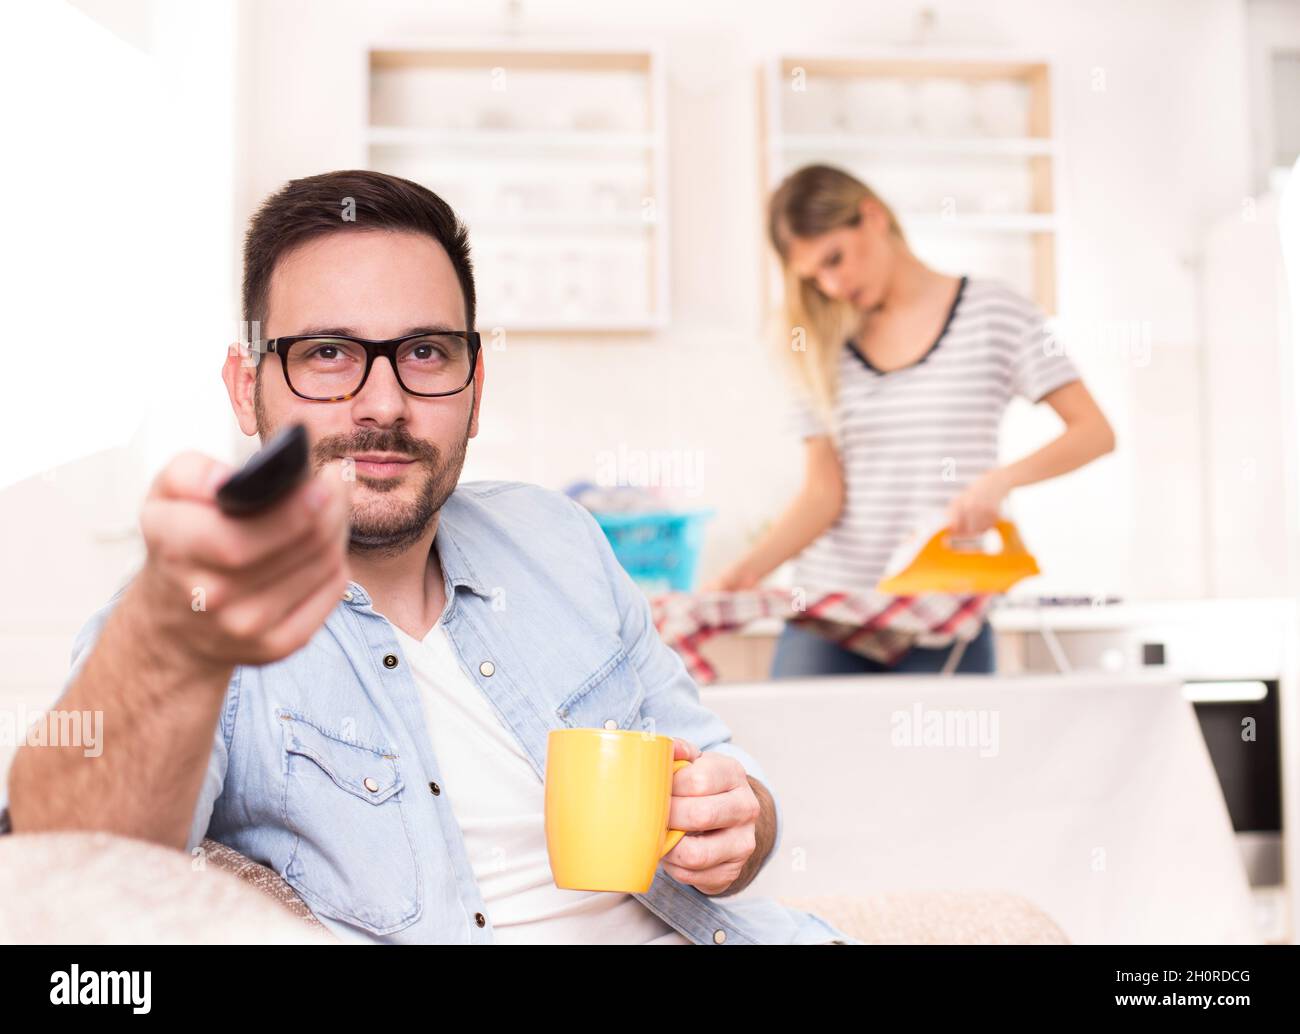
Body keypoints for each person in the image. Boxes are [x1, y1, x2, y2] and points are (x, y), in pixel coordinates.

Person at [1, 170, 856, 945]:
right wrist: (167, 639)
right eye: (327, 353)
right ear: (245, 385)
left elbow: (726, 773)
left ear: (475, 387)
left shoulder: (561, 539)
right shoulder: (184, 618)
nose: (384, 403)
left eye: (425, 353)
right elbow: (70, 877)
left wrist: (739, 820)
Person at [707, 164, 1115, 678]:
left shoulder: (996, 312)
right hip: (830, 614)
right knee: (800, 758)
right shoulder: (819, 344)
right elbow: (822, 495)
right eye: (814, 277)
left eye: (835, 258)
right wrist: (736, 578)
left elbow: (1094, 432)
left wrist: (1000, 482)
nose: (832, 285)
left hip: (944, 614)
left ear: (872, 217)